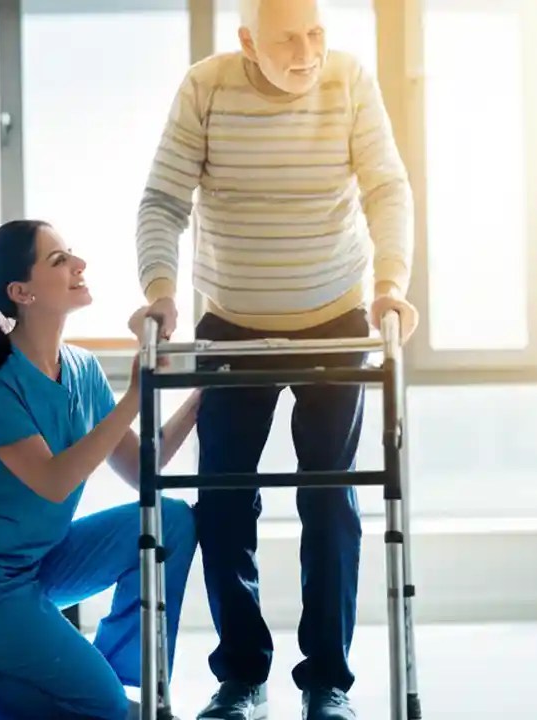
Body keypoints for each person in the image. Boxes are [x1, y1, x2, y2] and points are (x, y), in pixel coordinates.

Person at [130, 0, 418, 717]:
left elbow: (387, 188)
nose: (308, 51)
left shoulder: (349, 80)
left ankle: (327, 682)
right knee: (224, 498)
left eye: (316, 33)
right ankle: (242, 677)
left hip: (336, 318)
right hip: (231, 322)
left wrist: (390, 287)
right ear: (247, 42)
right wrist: (160, 293)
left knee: (330, 499)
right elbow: (164, 200)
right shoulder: (207, 86)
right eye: (288, 39)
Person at [0, 220, 200, 720]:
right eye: (59, 261)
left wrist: (201, 397)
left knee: (172, 519)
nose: (78, 266)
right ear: (21, 292)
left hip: (38, 563)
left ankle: (112, 679)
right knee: (100, 708)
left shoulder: (81, 368)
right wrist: (134, 395)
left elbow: (145, 466)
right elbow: (55, 481)